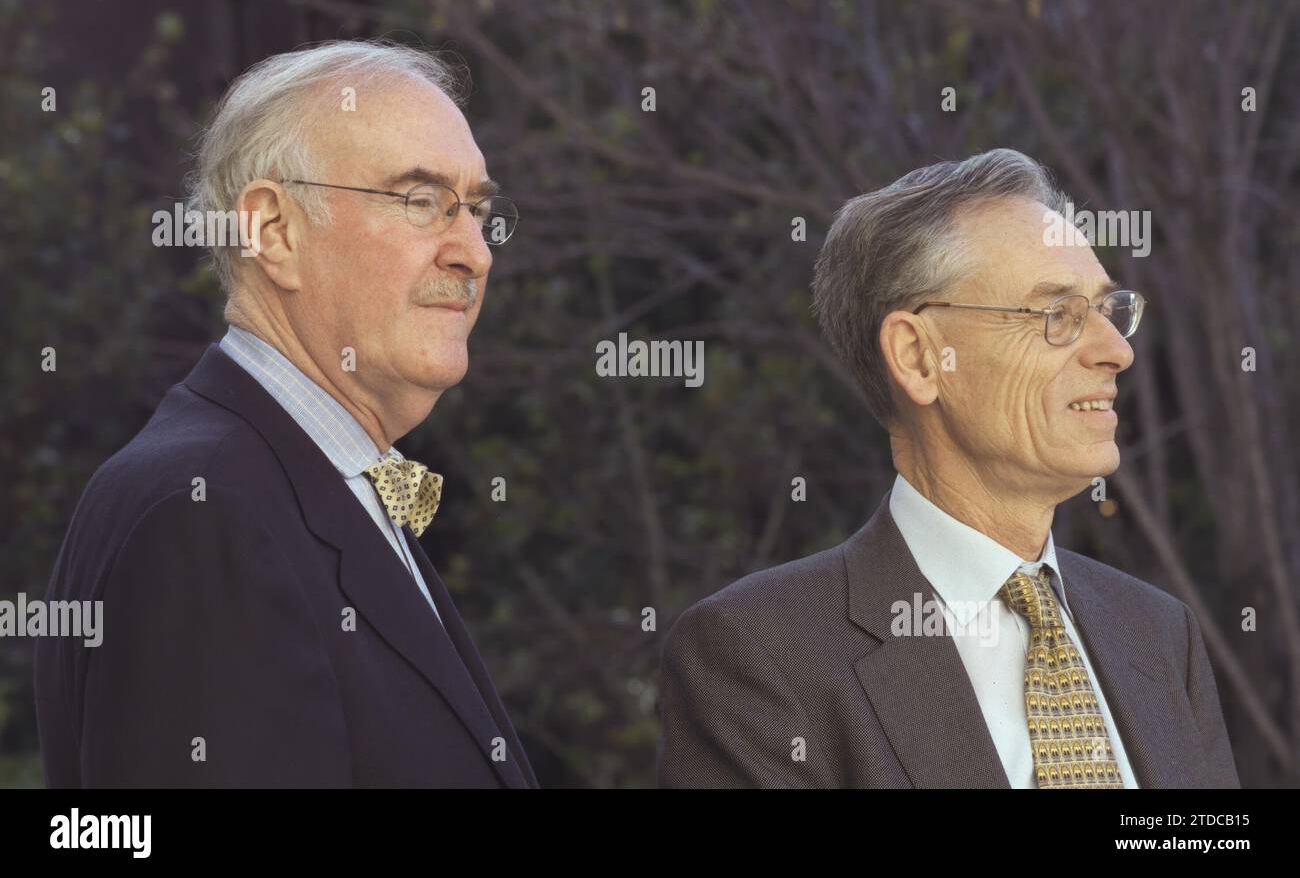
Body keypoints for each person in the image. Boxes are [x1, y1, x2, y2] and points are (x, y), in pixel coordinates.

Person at [35, 40, 535, 787]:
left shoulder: (285, 485)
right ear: (271, 231)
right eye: (422, 201)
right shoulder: (204, 516)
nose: (475, 252)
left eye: (479, 210)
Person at [658, 149, 1238, 788]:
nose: (1117, 351)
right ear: (919, 357)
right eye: (1058, 316)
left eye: (1108, 310)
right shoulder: (761, 654)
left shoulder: (1158, 634)